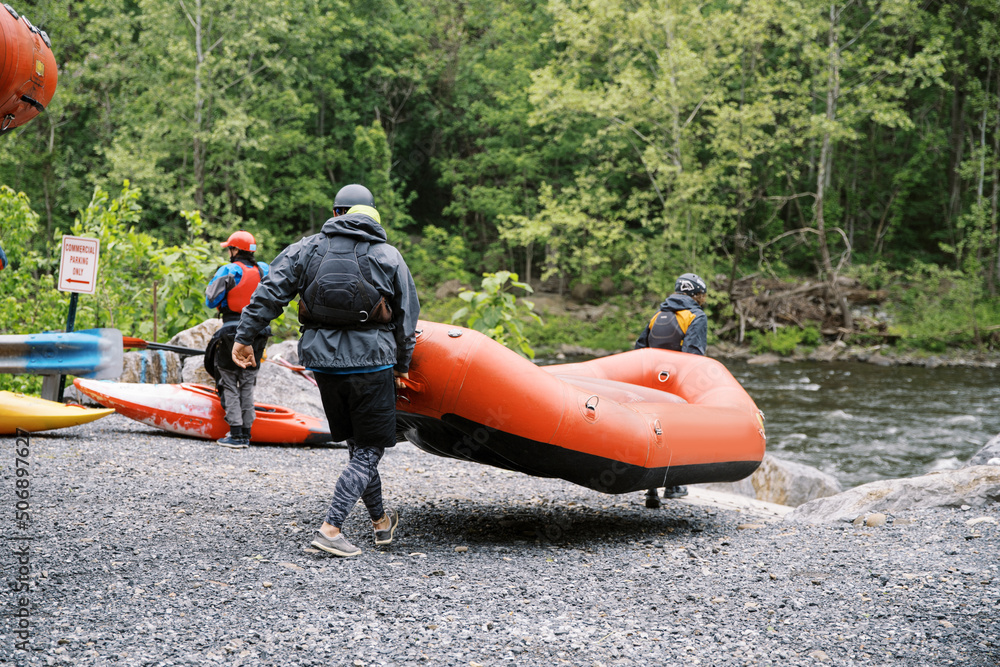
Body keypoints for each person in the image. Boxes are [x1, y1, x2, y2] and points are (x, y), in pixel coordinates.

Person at [231, 184, 420, 557]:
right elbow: (406, 318)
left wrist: (244, 337)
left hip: (323, 365)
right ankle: (331, 528)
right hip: (372, 363)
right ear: (372, 217)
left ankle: (382, 524)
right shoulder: (388, 254)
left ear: (337, 213)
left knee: (356, 444)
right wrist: (402, 364)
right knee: (369, 448)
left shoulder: (306, 249)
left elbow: (269, 293)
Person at [635, 272, 708, 508]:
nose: (704, 298)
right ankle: (673, 485)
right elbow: (693, 355)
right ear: (694, 294)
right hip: (675, 385)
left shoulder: (658, 316)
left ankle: (651, 491)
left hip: (650, 383)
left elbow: (639, 350)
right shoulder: (695, 316)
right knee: (676, 432)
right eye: (703, 294)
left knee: (655, 432)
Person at [204, 230, 271, 448]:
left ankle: (235, 434)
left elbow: (211, 301)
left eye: (230, 248)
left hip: (232, 330)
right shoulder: (264, 269)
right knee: (248, 382)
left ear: (235, 250)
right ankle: (247, 433)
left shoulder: (230, 270)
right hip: (259, 332)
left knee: (229, 379)